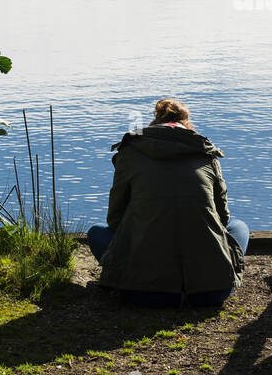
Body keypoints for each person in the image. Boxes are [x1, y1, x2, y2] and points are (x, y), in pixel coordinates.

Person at [87, 98, 248, 307]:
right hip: (211, 292)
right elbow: (223, 218)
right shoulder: (206, 154)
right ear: (186, 124)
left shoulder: (130, 152)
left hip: (140, 292)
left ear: (155, 121)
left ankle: (129, 277)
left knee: (97, 233)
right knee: (239, 227)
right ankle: (217, 274)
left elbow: (115, 219)